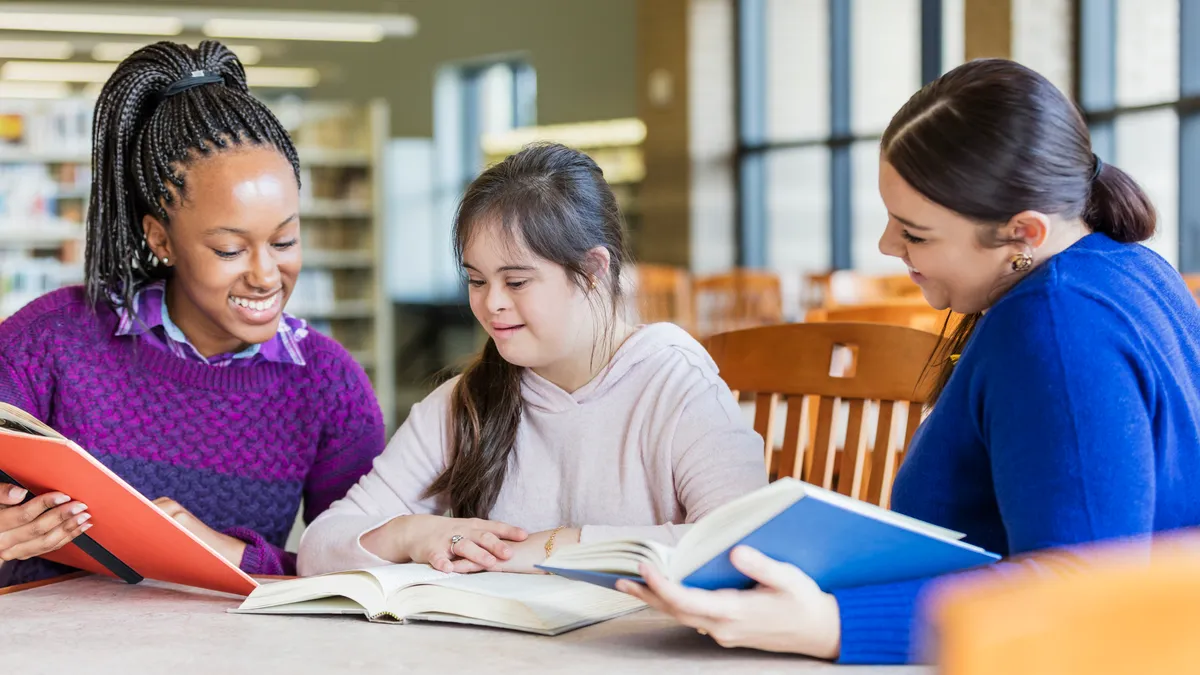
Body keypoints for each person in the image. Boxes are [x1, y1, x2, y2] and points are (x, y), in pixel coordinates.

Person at [617, 58, 1200, 664]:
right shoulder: (1129, 269)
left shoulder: (1056, 323)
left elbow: (1079, 590)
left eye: (915, 234)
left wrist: (830, 624)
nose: (886, 247)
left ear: (1023, 232)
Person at [0, 41, 385, 585]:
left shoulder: (329, 385)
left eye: (285, 241)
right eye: (229, 250)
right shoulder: (47, 342)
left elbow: (360, 577)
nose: (266, 275)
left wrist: (230, 554)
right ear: (160, 237)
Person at [297, 143, 766, 577]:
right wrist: (413, 532)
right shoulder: (469, 399)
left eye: (516, 281)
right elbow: (319, 546)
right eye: (477, 281)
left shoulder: (675, 381)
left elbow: (743, 544)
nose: (490, 304)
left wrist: (548, 548)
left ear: (592, 271)